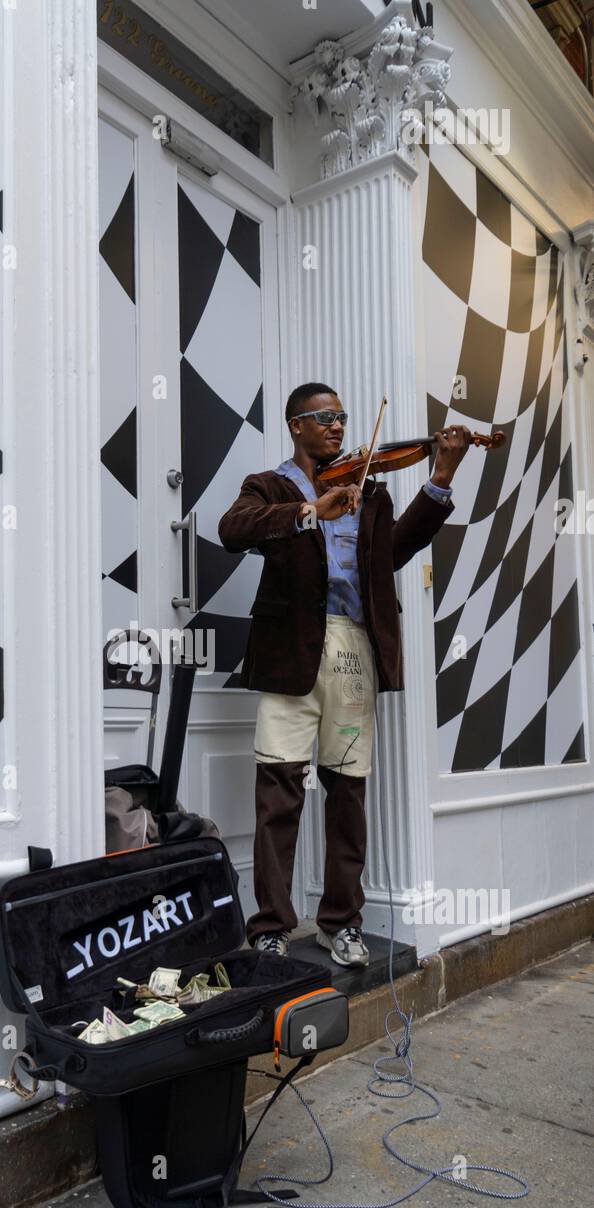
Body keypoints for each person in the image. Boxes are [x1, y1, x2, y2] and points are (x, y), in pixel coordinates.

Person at [217, 383, 470, 966]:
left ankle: (340, 923)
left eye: (342, 417)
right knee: (278, 790)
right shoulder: (270, 486)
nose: (336, 426)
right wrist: (309, 512)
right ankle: (272, 927)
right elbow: (234, 530)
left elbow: (395, 551)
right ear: (295, 425)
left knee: (348, 791)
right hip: (290, 653)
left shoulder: (368, 489)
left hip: (354, 647)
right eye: (323, 417)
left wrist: (442, 477)